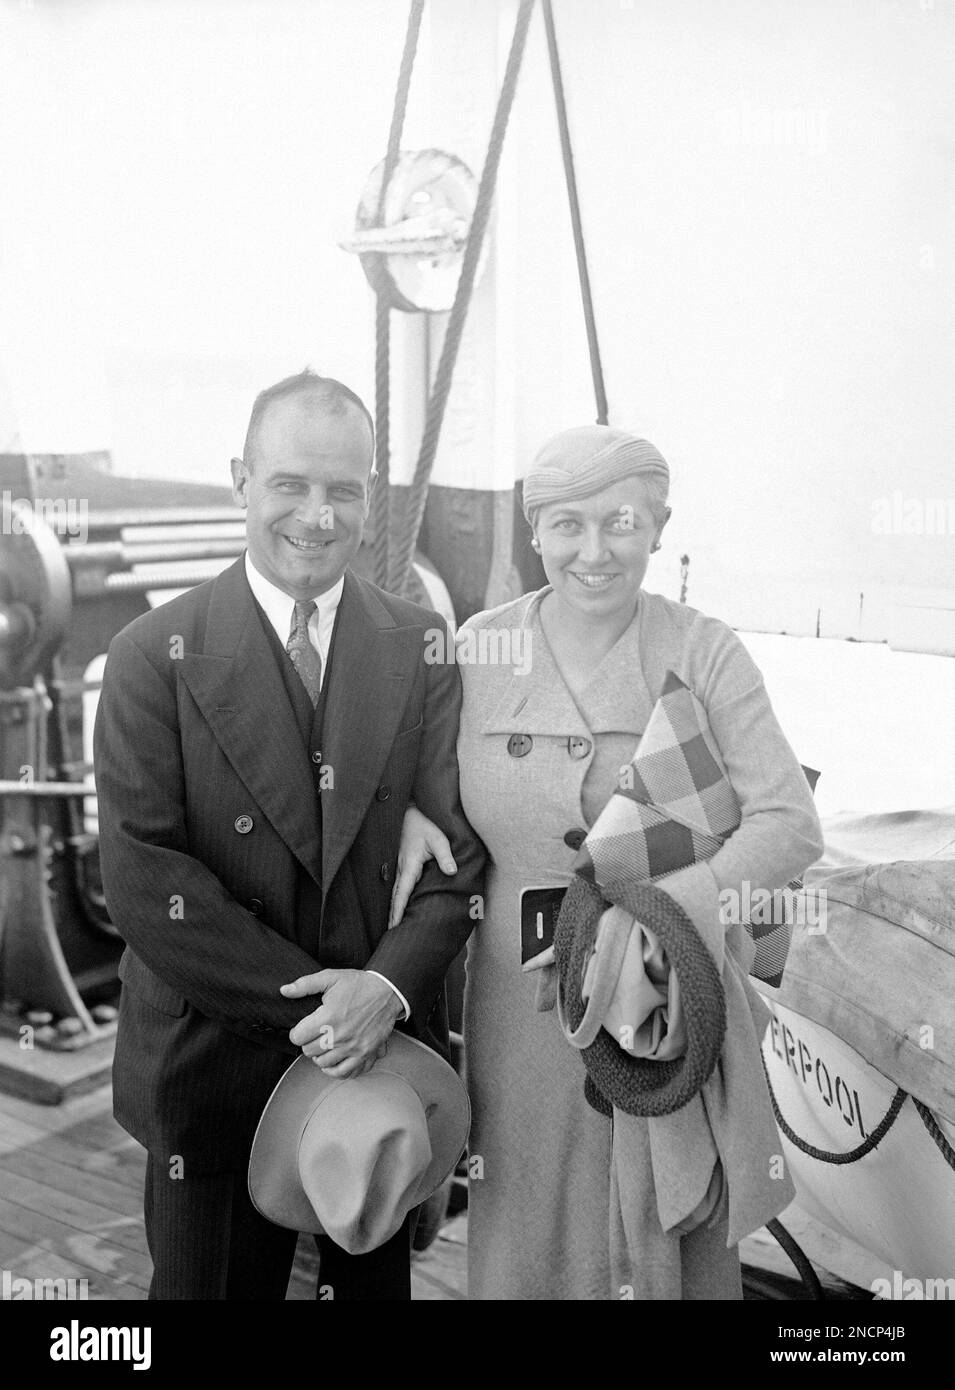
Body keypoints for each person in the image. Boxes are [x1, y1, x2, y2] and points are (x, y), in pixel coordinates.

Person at [392, 425, 824, 1300]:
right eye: (566, 525)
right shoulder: (479, 646)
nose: (594, 552)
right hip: (520, 1013)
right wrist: (406, 810)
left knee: (662, 1231)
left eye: (621, 522)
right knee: (527, 1232)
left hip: (667, 999)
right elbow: (421, 775)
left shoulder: (703, 650)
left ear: (658, 526)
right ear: (535, 531)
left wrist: (663, 918)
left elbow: (789, 824)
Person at [94, 369, 485, 1301]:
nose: (317, 517)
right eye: (290, 485)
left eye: (343, 491)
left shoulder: (421, 645)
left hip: (375, 1077)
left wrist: (384, 990)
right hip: (217, 1071)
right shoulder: (154, 656)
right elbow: (149, 881)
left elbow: (457, 859)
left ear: (371, 500)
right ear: (241, 481)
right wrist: (330, 1011)